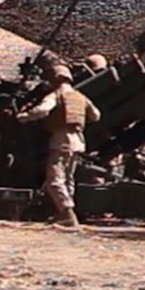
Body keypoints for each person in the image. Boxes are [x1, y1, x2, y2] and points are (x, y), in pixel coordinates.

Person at [16, 65, 100, 228]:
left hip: (61, 139)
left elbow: (43, 110)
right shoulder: (80, 97)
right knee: (68, 179)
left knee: (54, 179)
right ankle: (61, 213)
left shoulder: (56, 95)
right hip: (78, 141)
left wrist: (24, 117)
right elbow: (96, 116)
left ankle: (68, 213)